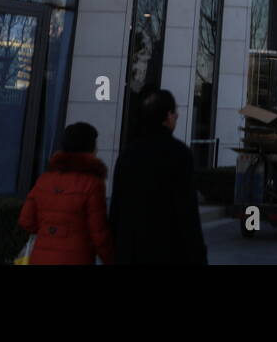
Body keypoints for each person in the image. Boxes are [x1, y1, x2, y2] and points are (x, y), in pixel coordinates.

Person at [110, 88, 208, 265]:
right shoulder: (179, 154)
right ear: (167, 116)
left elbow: (117, 209)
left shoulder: (128, 154)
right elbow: (187, 213)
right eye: (174, 112)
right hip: (167, 251)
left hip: (131, 251)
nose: (177, 116)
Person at [18, 122, 114, 265]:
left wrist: (51, 231)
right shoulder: (92, 183)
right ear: (89, 148)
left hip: (40, 258)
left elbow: (26, 221)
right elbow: (99, 234)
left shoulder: (44, 180)